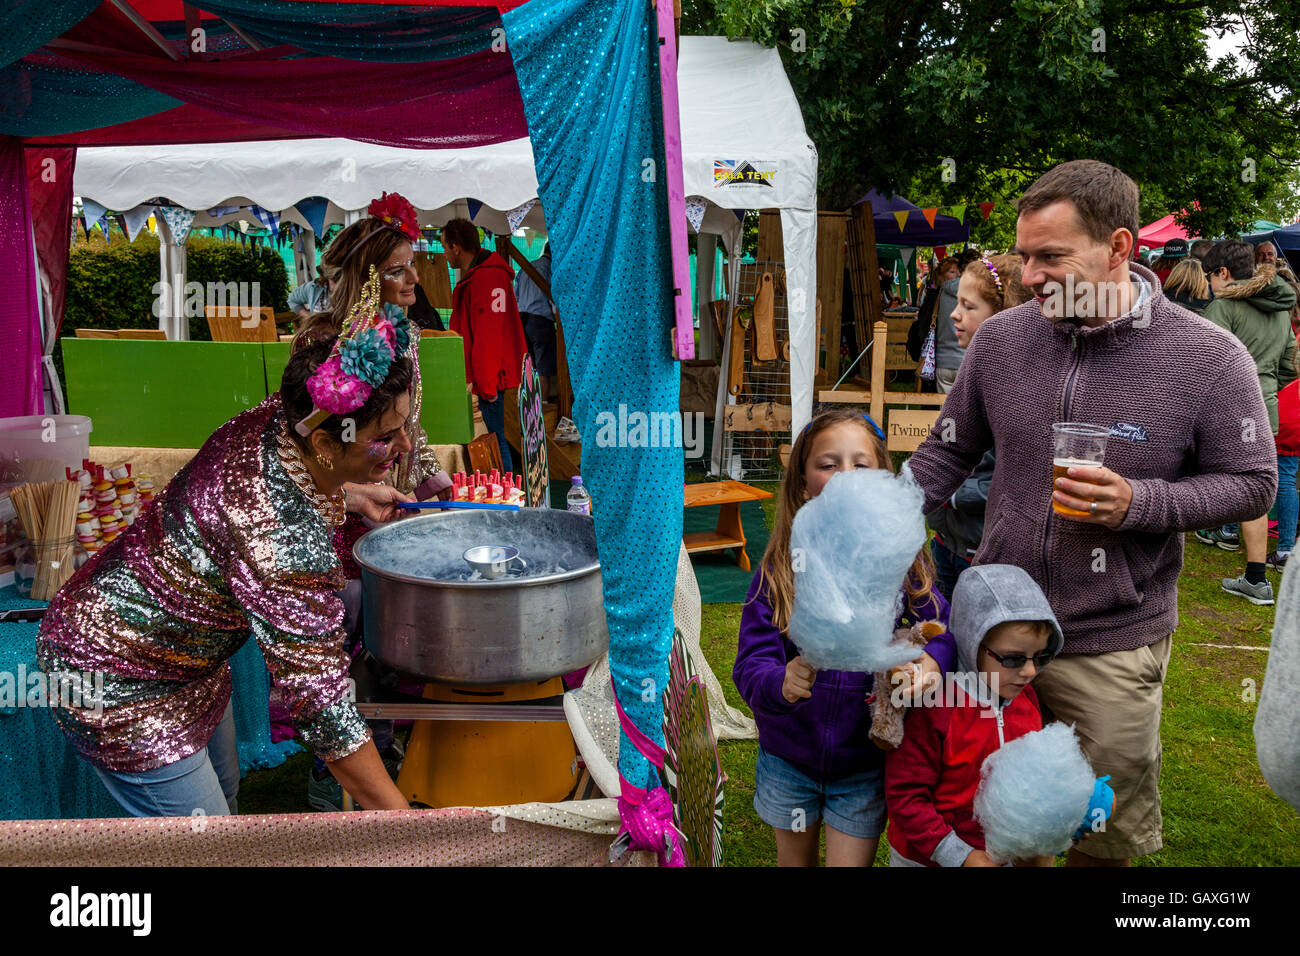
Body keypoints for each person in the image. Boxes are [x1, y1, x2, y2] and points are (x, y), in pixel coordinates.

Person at [905, 159, 1276, 866]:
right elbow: (943, 457)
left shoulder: (1208, 358)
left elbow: (1253, 482)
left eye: (1052, 257)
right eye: (1024, 255)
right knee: (984, 816)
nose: (1032, 274)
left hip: (1109, 639)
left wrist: (1140, 503)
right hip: (992, 635)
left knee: (1097, 838)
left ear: (1119, 248)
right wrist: (869, 531)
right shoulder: (1003, 341)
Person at [36, 333, 419, 816]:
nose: (403, 446)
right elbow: (322, 705)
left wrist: (352, 495)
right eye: (385, 436)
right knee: (209, 841)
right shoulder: (283, 542)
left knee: (225, 796)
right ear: (325, 441)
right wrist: (402, 818)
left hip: (184, 654)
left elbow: (257, 499)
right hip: (113, 674)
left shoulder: (289, 417)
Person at [733, 408, 956, 867]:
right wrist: (781, 682)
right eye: (828, 464)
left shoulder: (902, 568)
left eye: (861, 464)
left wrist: (931, 662)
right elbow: (751, 664)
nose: (845, 475)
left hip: (863, 762)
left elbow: (941, 631)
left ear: (883, 481)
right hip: (789, 757)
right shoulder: (781, 572)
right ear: (802, 484)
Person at [885, 563, 1064, 867]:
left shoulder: (1026, 700)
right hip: (926, 858)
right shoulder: (935, 707)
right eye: (1013, 658)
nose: (1030, 671)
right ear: (973, 643)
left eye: (1041, 656)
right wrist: (961, 856)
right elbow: (905, 796)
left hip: (996, 855)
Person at [1198, 240, 1297, 604]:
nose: (1208, 284)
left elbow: (1202, 363)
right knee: (1253, 491)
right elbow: (1289, 365)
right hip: (1265, 408)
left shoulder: (1223, 306)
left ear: (1223, 273)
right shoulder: (1279, 310)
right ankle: (1255, 577)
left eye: (1210, 276)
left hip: (1224, 410)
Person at [927, 254, 1029, 598]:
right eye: (957, 303)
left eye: (969, 307)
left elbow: (1017, 477)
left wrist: (952, 495)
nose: (954, 314)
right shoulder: (973, 374)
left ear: (1002, 318)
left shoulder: (1019, 392)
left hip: (983, 550)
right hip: (947, 541)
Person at [444, 218, 528, 472]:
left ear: (456, 247)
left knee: (495, 439)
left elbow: (488, 334)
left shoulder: (485, 278)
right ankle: (508, 495)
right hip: (488, 374)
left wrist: (487, 383)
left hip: (488, 377)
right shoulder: (487, 274)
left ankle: (509, 499)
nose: (446, 254)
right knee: (495, 439)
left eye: (445, 247)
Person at [933, 249, 981, 394]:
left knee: (945, 412)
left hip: (943, 361)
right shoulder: (978, 293)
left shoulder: (941, 293)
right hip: (967, 360)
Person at [514, 241, 557, 402]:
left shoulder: (527, 266)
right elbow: (554, 296)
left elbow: (515, 294)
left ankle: (527, 406)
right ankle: (544, 407)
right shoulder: (550, 269)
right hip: (540, 321)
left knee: (528, 367)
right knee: (544, 369)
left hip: (522, 320)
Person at [1270, 379, 1300, 571]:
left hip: (1286, 416)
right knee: (1287, 478)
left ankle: (1228, 530)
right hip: (1291, 414)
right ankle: (1286, 550)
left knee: (1248, 473)